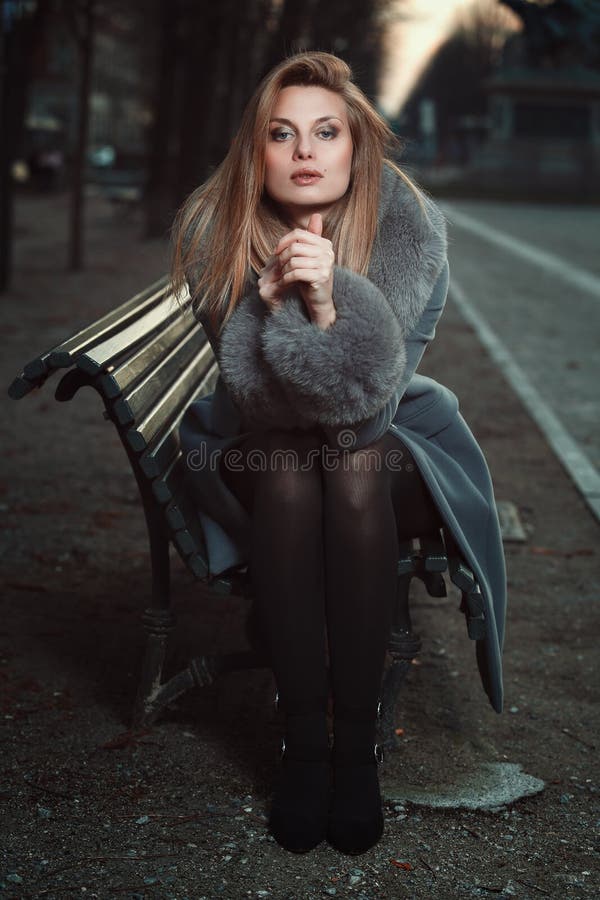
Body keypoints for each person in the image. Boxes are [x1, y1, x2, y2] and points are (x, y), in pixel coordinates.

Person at [170, 51, 507, 856]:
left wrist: (327, 308)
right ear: (257, 149)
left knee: (351, 468)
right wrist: (274, 303)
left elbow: (366, 417)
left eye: (327, 132)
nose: (305, 152)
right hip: (267, 454)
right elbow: (264, 414)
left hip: (392, 458)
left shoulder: (408, 232)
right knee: (288, 473)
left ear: (358, 148)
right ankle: (305, 748)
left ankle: (356, 751)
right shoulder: (219, 233)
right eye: (282, 134)